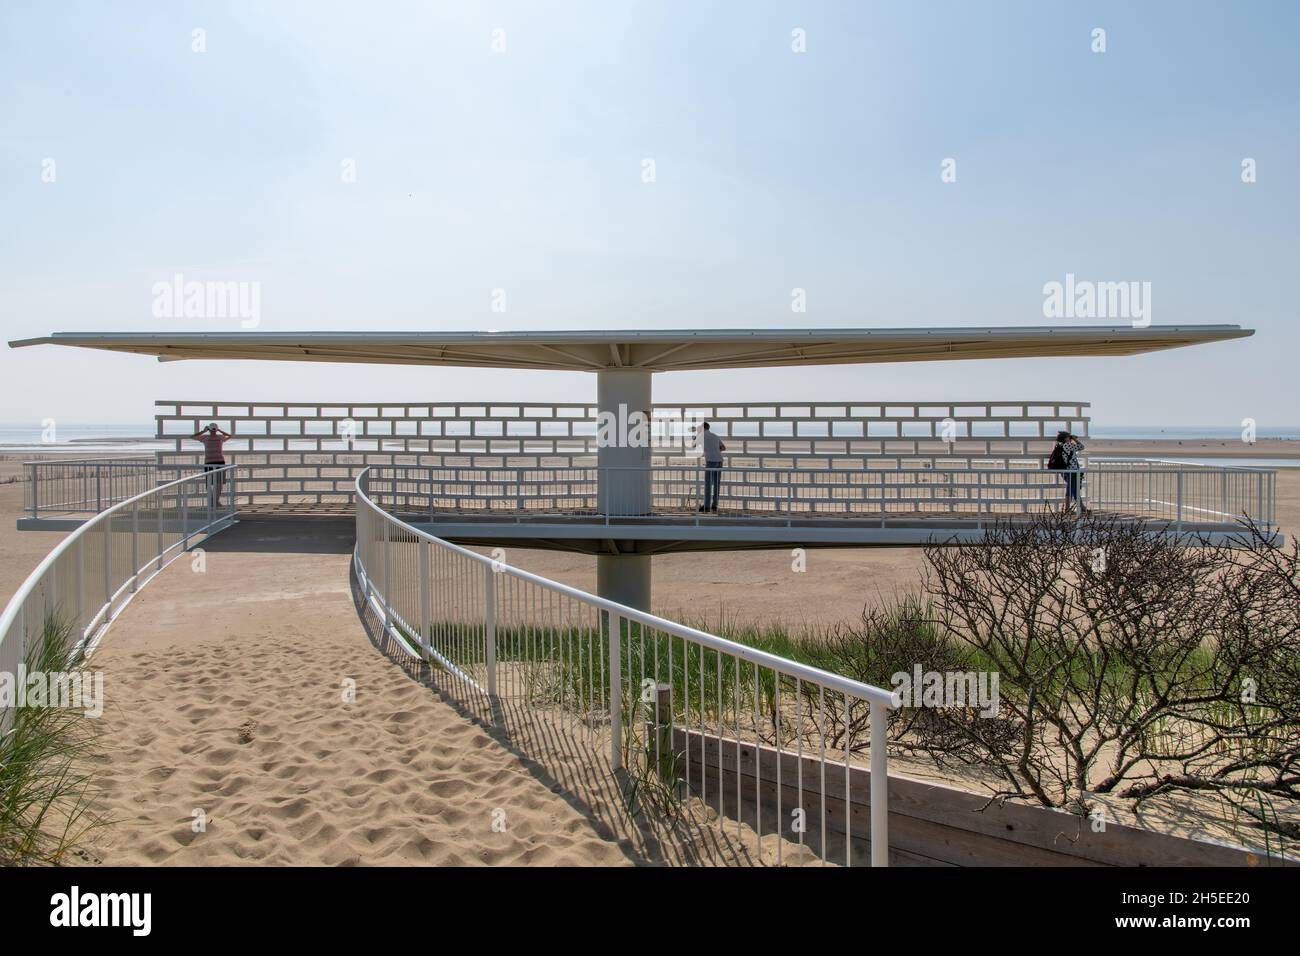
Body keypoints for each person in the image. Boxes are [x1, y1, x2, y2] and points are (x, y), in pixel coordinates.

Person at [191, 422, 232, 507]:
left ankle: (214, 501)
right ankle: (214, 501)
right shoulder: (215, 437)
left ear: (209, 430)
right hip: (215, 462)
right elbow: (229, 436)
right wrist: (219, 430)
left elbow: (193, 437)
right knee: (214, 483)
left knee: (215, 483)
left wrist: (204, 431)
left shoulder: (207, 437)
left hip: (213, 462)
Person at [1048, 430, 1089, 515]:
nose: (1069, 438)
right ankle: (1067, 510)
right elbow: (1081, 447)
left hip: (1066, 470)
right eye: (1068, 436)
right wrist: (1074, 439)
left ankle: (1082, 507)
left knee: (1074, 490)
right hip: (1072, 471)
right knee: (1070, 489)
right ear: (1065, 438)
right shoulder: (1067, 445)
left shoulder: (1060, 445)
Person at [698, 422, 726, 512]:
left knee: (708, 484)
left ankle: (706, 506)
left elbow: (693, 445)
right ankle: (714, 505)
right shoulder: (715, 435)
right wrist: (715, 450)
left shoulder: (701, 435)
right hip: (719, 460)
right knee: (717, 483)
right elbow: (723, 448)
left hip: (711, 461)